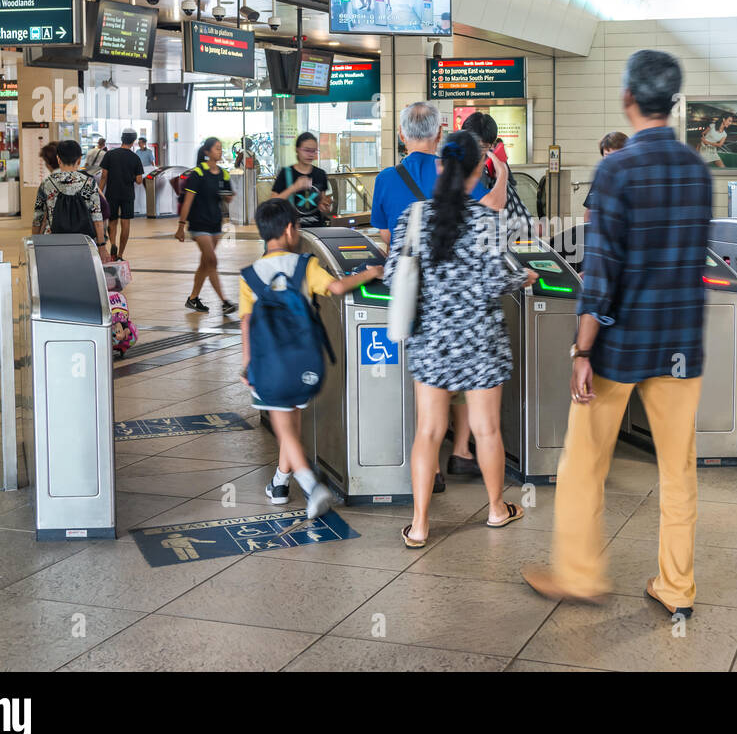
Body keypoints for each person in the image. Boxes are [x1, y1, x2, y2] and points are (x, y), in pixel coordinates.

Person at [522, 49, 711, 621]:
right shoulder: (697, 170)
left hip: (621, 344)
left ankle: (580, 574)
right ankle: (676, 588)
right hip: (680, 342)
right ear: (672, 103)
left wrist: (583, 348)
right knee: (679, 470)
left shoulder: (616, 169)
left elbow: (600, 272)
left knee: (585, 460)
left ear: (628, 99)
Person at [384, 130, 538, 548]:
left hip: (432, 341)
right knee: (487, 430)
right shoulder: (488, 220)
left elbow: (391, 276)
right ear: (476, 172)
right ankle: (495, 510)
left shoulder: (413, 217)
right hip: (481, 341)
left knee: (429, 431)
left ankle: (419, 525)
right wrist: (525, 276)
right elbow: (497, 278)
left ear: (439, 165)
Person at [241, 198, 383, 519]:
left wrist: (248, 365)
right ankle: (280, 482)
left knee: (284, 426)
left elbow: (246, 322)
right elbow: (337, 286)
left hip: (268, 363)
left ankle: (310, 485)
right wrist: (371, 271)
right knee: (292, 421)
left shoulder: (249, 275)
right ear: (291, 229)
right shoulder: (306, 266)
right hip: (303, 361)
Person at [370, 101, 505, 248]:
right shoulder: (454, 171)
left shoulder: (384, 179)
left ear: (401, 134)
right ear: (439, 133)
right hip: (448, 265)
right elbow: (494, 206)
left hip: (406, 267)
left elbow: (387, 236)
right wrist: (502, 173)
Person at [175, 137, 238, 313]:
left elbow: (227, 197)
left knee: (205, 263)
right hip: (198, 223)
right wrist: (181, 226)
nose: (220, 151)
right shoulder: (198, 173)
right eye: (217, 148)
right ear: (207, 152)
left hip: (214, 224)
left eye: (220, 148)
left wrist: (229, 196)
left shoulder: (223, 174)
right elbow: (187, 201)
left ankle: (193, 298)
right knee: (212, 260)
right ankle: (225, 302)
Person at [462, 112, 532, 238]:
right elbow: (496, 204)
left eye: (482, 147)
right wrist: (503, 174)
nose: (475, 152)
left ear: (492, 146)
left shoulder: (496, 168)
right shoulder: (457, 169)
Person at [32, 139, 108, 254]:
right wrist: (102, 246)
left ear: (58, 159)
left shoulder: (46, 183)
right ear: (78, 160)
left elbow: (38, 218)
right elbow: (97, 217)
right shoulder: (89, 182)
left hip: (53, 242)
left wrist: (34, 244)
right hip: (83, 241)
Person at [271, 132, 333, 229]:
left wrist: (325, 206)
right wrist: (294, 188)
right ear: (297, 150)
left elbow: (323, 204)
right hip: (292, 231)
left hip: (316, 231)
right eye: (307, 150)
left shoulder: (320, 174)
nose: (310, 154)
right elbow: (273, 204)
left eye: (314, 151)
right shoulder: (286, 173)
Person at [99, 130, 145, 259]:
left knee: (112, 221)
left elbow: (104, 176)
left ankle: (113, 243)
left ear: (122, 139)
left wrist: (100, 193)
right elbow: (139, 180)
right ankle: (120, 253)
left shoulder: (110, 155)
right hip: (127, 194)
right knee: (125, 223)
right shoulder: (135, 157)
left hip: (112, 193)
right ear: (133, 141)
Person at [582, 131, 629, 221]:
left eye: (616, 155)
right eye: (607, 155)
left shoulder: (633, 180)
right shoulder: (600, 179)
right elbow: (589, 213)